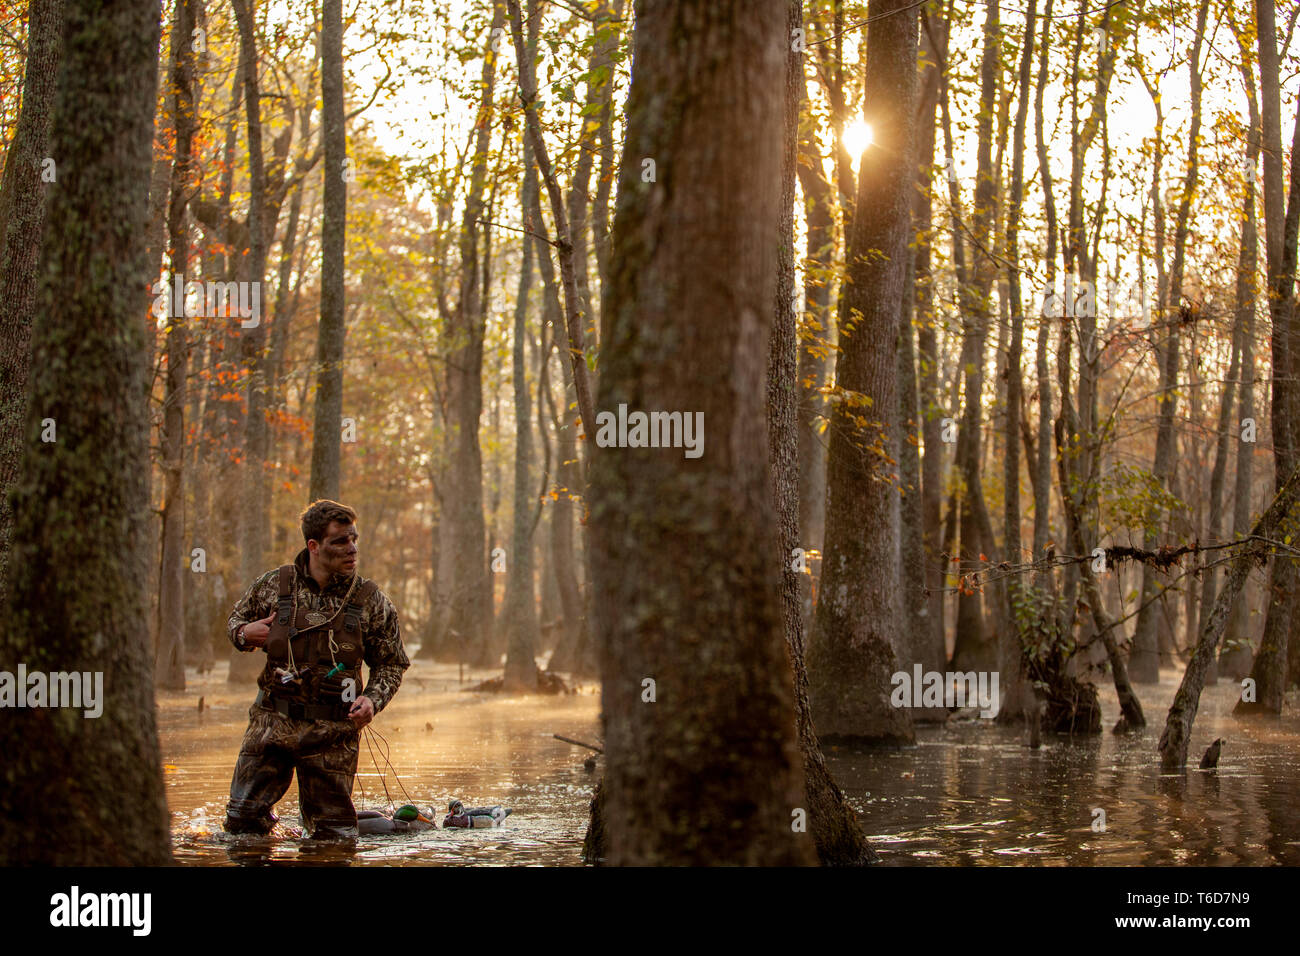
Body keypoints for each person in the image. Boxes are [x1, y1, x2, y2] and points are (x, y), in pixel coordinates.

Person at [223, 500, 409, 839]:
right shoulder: (273, 585)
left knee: (334, 839)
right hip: (270, 725)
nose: (352, 549)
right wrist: (243, 633)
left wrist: (371, 701)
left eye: (354, 539)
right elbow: (235, 621)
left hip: (333, 732)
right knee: (242, 826)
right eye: (340, 541)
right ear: (314, 546)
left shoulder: (371, 600)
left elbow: (392, 663)